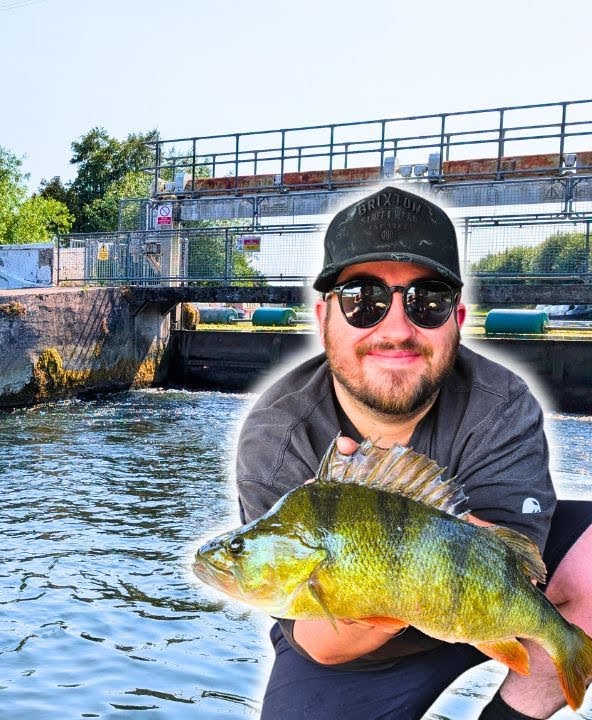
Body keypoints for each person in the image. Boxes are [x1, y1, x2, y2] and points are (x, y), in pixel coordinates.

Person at [233, 185, 592, 720]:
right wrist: (375, 582)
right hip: (353, 656)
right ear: (323, 316)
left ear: (459, 318)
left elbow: (515, 571)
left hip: (482, 600)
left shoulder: (502, 404)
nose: (396, 328)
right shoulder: (278, 434)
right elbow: (320, 643)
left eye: (428, 301)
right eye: (362, 301)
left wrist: (400, 557)